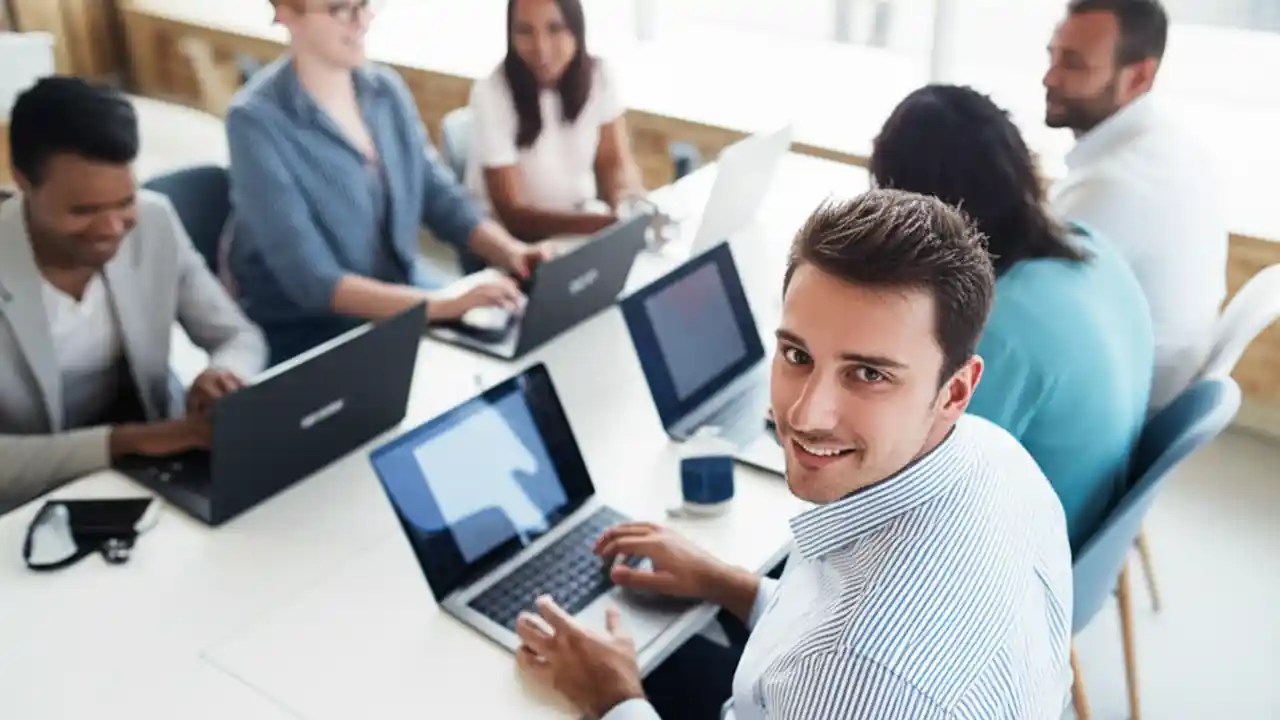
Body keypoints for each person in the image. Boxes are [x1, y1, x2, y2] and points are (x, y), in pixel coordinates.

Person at [510, 191, 1074, 719]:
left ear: (954, 390)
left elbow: (840, 664)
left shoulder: (851, 674)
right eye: (796, 354)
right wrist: (728, 582)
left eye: (869, 374)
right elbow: (829, 616)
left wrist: (615, 699)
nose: (805, 415)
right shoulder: (994, 455)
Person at [869, 84, 1153, 551]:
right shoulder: (1091, 248)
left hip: (1013, 569)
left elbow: (912, 497)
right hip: (1086, 523)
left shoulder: (998, 334)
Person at [228, 0, 550, 364]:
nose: (362, 20)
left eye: (365, 4)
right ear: (286, 13)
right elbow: (314, 282)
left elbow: (438, 195)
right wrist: (444, 305)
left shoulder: (385, 90)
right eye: (340, 9)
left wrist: (511, 251)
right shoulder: (254, 122)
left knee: (515, 346)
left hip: (404, 289)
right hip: (317, 330)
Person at [0, 78, 267, 514]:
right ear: (23, 181)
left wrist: (223, 373)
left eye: (124, 202)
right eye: (82, 211)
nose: (110, 230)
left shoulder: (155, 220)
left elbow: (238, 336)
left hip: (159, 468)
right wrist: (124, 443)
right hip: (31, 499)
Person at [1045, 0, 1226, 413]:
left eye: (1074, 64)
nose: (1050, 76)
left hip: (1106, 415)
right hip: (1149, 394)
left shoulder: (1112, 186)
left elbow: (1017, 314)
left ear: (1139, 76)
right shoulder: (1170, 147)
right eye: (1052, 56)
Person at [465, 0, 644, 241]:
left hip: (579, 225)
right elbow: (513, 215)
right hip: (515, 243)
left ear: (576, 29)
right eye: (525, 31)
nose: (540, 47)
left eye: (555, 28)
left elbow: (613, 162)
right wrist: (603, 225)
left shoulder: (600, 75)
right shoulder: (490, 93)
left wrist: (625, 202)